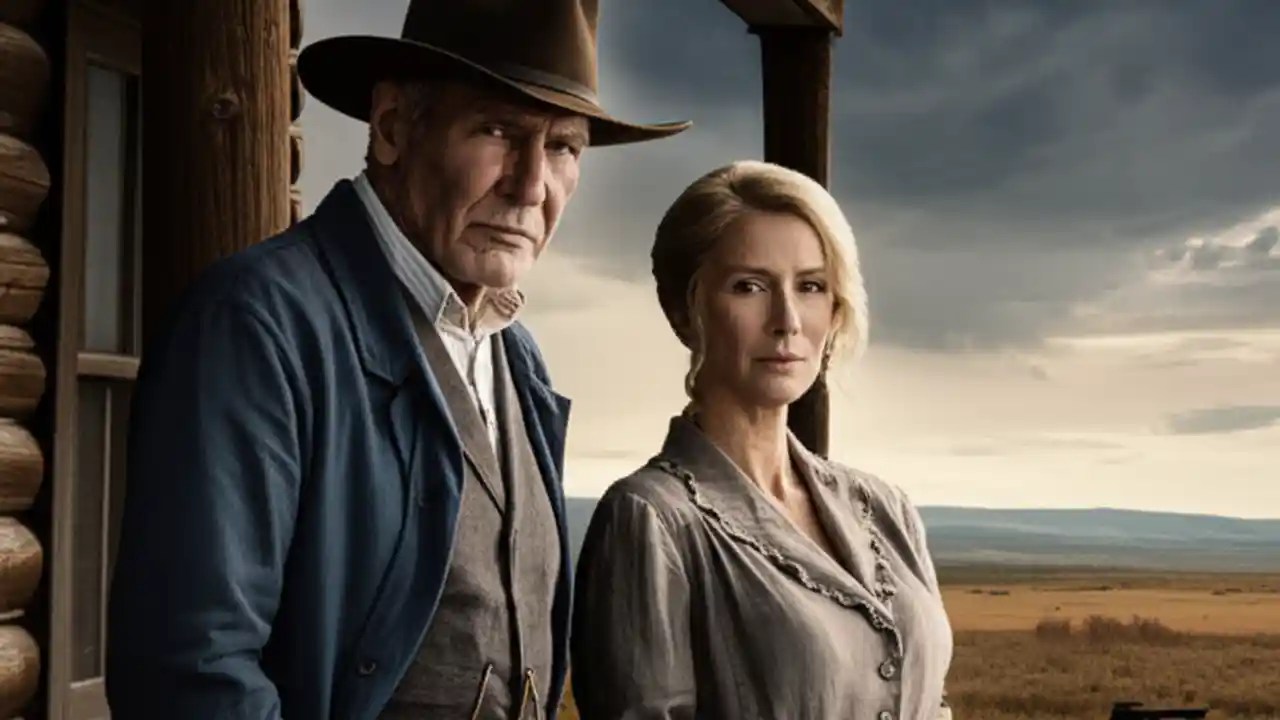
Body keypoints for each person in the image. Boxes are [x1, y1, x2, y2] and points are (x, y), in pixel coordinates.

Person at [104, 1, 689, 718]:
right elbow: (191, 671)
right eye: (498, 130)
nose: (532, 185)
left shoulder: (519, 359)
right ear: (391, 127)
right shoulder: (258, 322)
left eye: (565, 146)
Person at [570, 160, 954, 720]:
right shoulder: (651, 520)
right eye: (749, 286)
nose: (787, 320)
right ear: (683, 309)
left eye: (811, 286)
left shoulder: (886, 508)